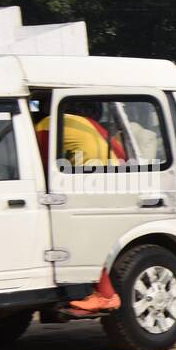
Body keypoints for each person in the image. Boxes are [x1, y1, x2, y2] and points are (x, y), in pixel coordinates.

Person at [31, 95, 125, 316]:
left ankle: (106, 296)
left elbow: (37, 164)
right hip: (113, 184)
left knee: (74, 237)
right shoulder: (94, 126)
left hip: (87, 185)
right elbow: (121, 154)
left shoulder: (48, 124)